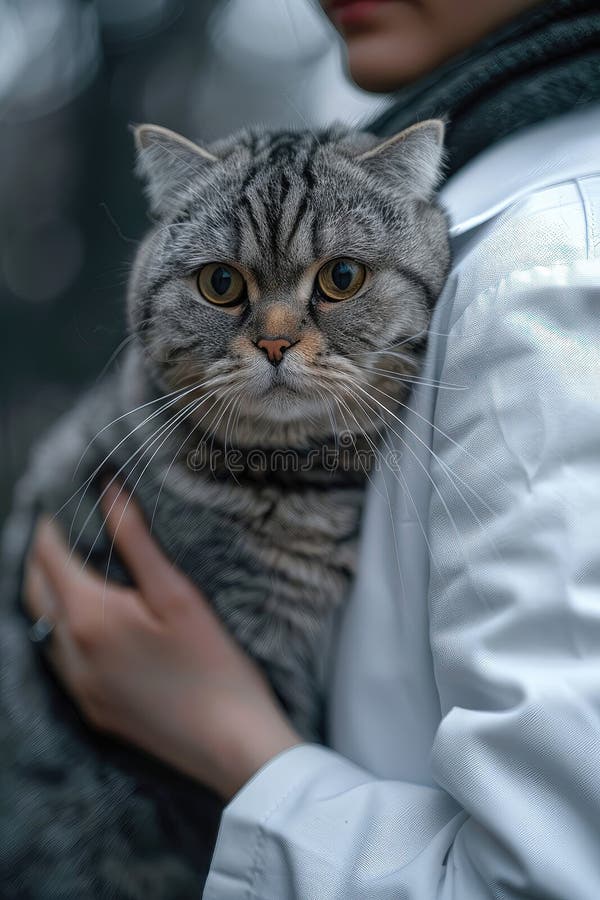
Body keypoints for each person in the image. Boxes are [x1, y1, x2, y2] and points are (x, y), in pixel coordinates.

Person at [24, 0, 600, 896]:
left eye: (339, 279)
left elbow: (546, 874)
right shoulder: (481, 161)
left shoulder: (543, 272)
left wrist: (228, 739)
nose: (278, 336)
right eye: (225, 284)